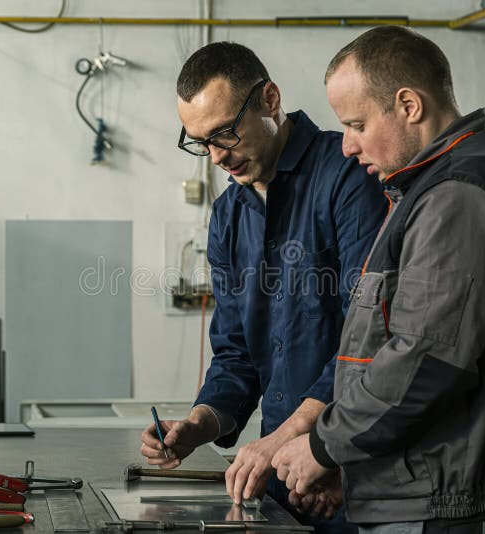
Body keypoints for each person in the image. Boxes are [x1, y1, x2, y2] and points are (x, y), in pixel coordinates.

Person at [272, 26, 485, 534]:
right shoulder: (456, 179)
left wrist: (324, 445)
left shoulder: (459, 193)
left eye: (357, 124)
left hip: (455, 506)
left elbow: (426, 360)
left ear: (409, 105)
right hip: (443, 494)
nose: (347, 146)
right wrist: (359, 465)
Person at [139, 42, 387, 532]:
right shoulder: (228, 216)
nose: (216, 156)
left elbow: (369, 338)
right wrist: (199, 423)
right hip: (277, 478)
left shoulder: (350, 178)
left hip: (352, 474)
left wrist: (309, 443)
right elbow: (236, 353)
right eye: (201, 142)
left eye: (224, 133)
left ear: (270, 100)